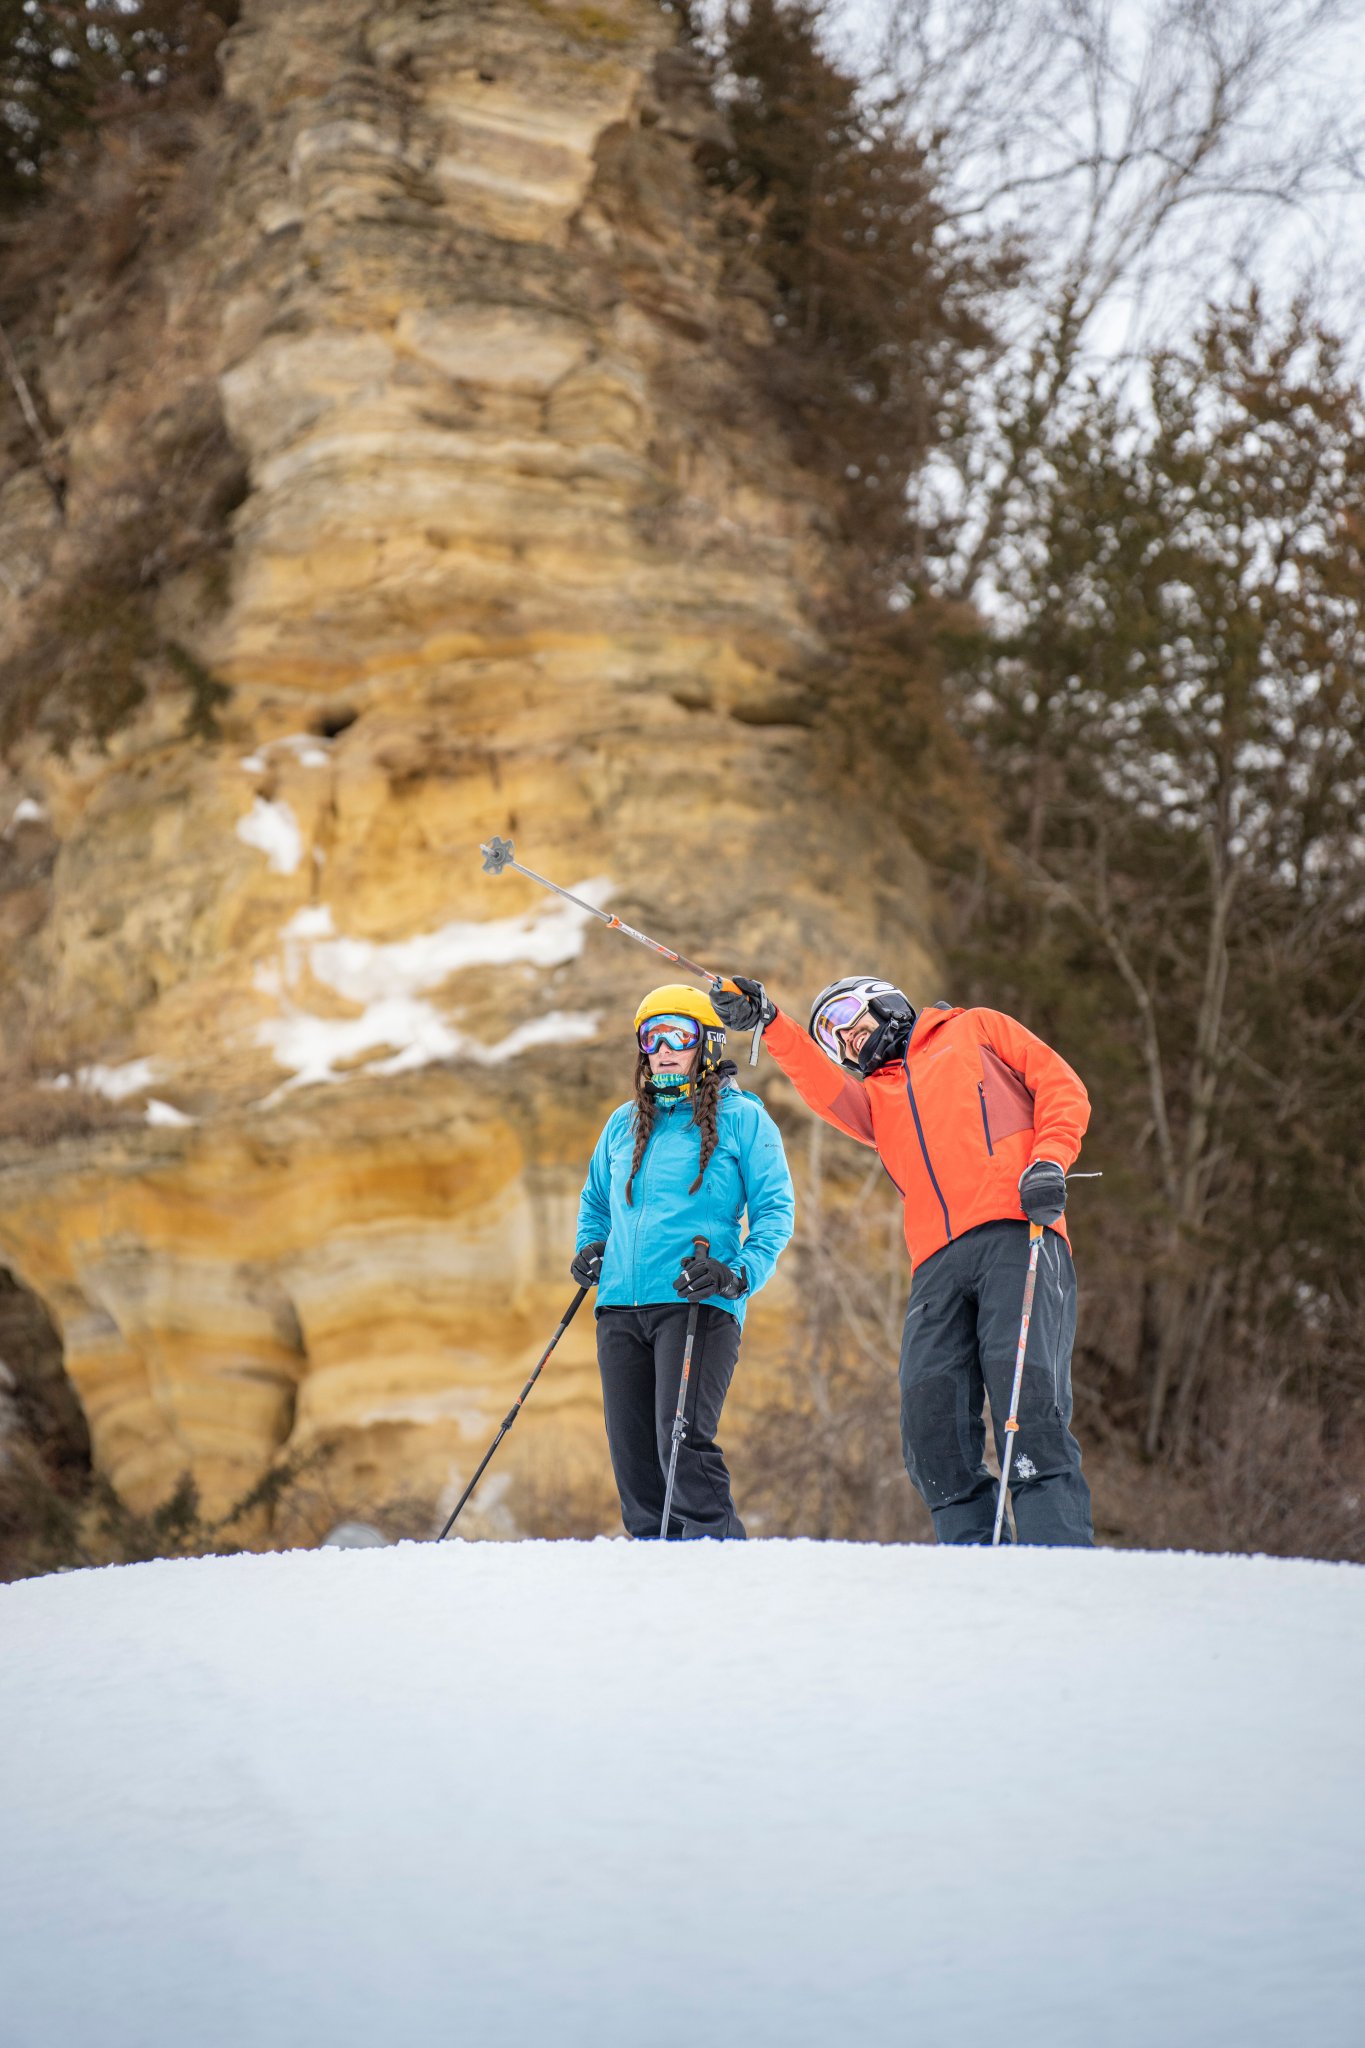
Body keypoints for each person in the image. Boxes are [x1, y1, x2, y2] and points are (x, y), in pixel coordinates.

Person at [710, 973, 1094, 1546]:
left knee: (1026, 1403)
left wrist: (1049, 1161)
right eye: (831, 1039)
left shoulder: (974, 1028)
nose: (843, 1041)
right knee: (930, 1420)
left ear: (882, 999)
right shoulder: (876, 1100)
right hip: (936, 1262)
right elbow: (821, 1087)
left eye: (844, 1019)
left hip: (1015, 1230)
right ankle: (976, 1568)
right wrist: (771, 1021)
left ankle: (1057, 1563)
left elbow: (1061, 1086)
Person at [572, 984, 795, 1539]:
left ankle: (718, 1571)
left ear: (709, 1045)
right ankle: (657, 1588)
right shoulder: (622, 1124)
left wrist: (737, 1273)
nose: (664, 1048)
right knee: (634, 1461)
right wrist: (590, 1247)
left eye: (680, 1035)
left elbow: (774, 1212)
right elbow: (596, 1204)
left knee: (683, 1445)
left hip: (696, 1303)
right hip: (621, 1307)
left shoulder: (744, 1120)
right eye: (652, 1037)